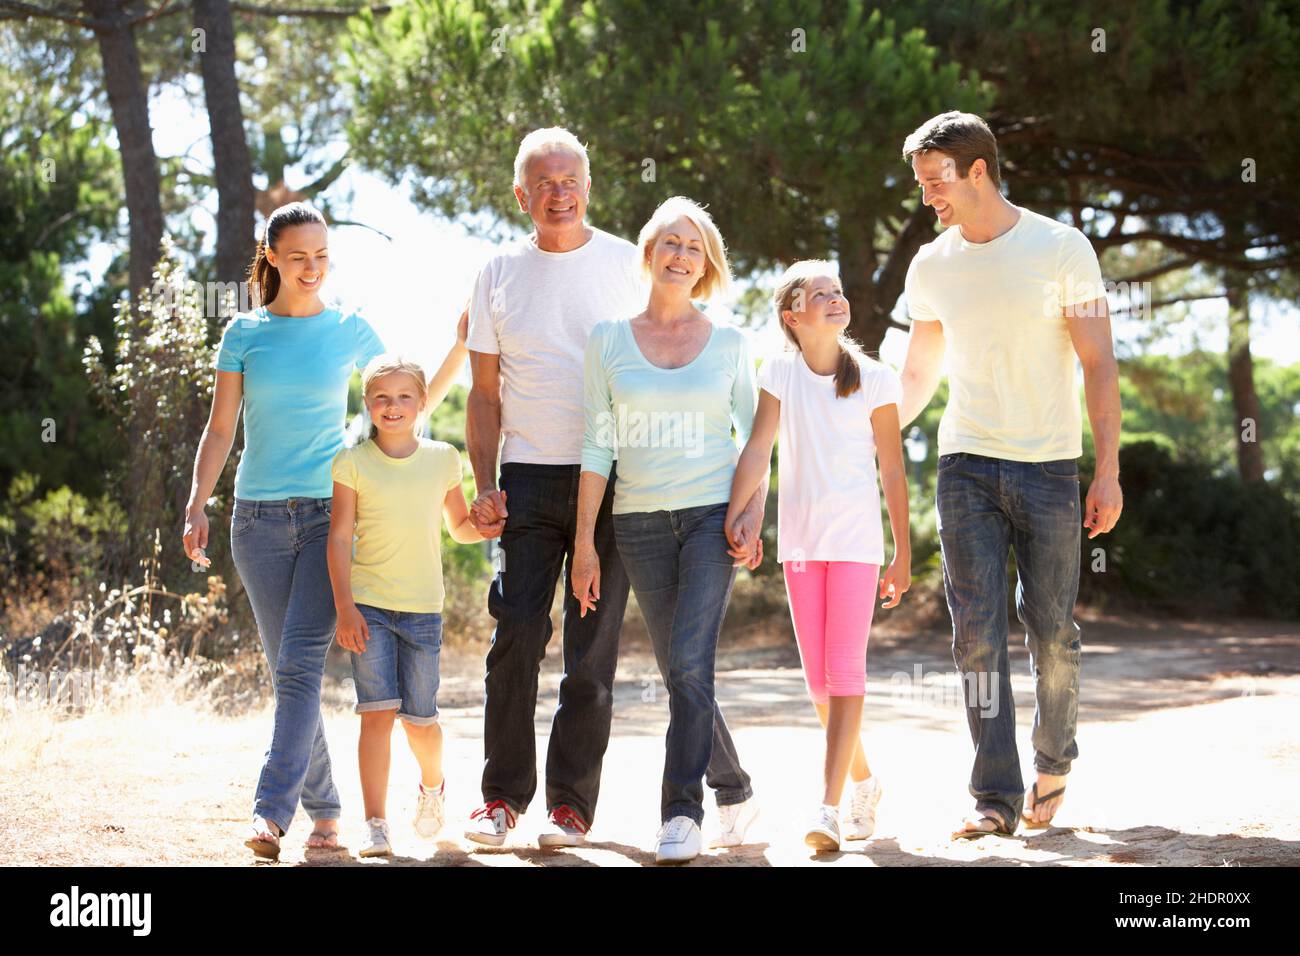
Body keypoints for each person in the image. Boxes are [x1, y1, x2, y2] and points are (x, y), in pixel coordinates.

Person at [182, 201, 468, 860]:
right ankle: (328, 812)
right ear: (273, 257)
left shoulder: (349, 328)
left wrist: (457, 346)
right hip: (253, 521)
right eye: (299, 257)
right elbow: (221, 428)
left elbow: (413, 391)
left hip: (326, 517)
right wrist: (198, 502)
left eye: (322, 256)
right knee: (288, 675)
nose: (312, 268)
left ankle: (268, 814)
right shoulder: (244, 333)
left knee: (301, 667)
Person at [897, 112, 1122, 839]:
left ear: (978, 171)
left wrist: (1107, 470)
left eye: (936, 181)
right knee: (975, 632)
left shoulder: (1062, 248)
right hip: (964, 463)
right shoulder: (931, 265)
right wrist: (871, 429)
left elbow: (1098, 363)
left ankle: (1054, 757)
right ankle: (994, 794)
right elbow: (919, 371)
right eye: (921, 183)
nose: (927, 195)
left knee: (1052, 629)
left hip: (1049, 465)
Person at [461, 128, 645, 848]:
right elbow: (482, 395)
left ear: (589, 187)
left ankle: (571, 807)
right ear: (521, 195)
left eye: (571, 180)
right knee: (516, 638)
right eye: (545, 183)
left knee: (590, 650)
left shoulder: (629, 264)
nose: (559, 193)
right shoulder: (497, 272)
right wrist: (484, 484)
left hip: (611, 477)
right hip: (527, 482)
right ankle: (501, 799)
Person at [574, 196, 764, 864]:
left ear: (705, 264)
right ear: (648, 252)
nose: (681, 256)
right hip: (637, 523)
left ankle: (681, 813)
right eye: (670, 243)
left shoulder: (733, 343)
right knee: (680, 669)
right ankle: (735, 786)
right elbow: (598, 447)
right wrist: (583, 546)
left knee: (688, 664)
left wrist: (750, 512)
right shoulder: (608, 340)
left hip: (713, 518)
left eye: (694, 247)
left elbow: (757, 440)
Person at [727, 260, 910, 852]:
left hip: (857, 546)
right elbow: (759, 449)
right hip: (801, 544)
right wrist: (737, 514)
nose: (835, 298)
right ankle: (864, 781)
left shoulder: (878, 379)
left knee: (845, 672)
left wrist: (902, 551)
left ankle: (827, 809)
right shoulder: (778, 371)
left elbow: (892, 468)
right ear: (793, 317)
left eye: (838, 290)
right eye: (819, 294)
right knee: (817, 685)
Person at [327, 355, 483, 858]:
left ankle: (432, 787)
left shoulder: (442, 458)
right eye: (381, 398)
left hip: (422, 611)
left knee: (420, 720)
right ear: (367, 405)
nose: (392, 407)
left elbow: (459, 528)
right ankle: (374, 823)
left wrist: (488, 523)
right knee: (377, 713)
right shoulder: (351, 463)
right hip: (369, 605)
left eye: (404, 397)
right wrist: (345, 607)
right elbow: (338, 537)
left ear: (421, 403)